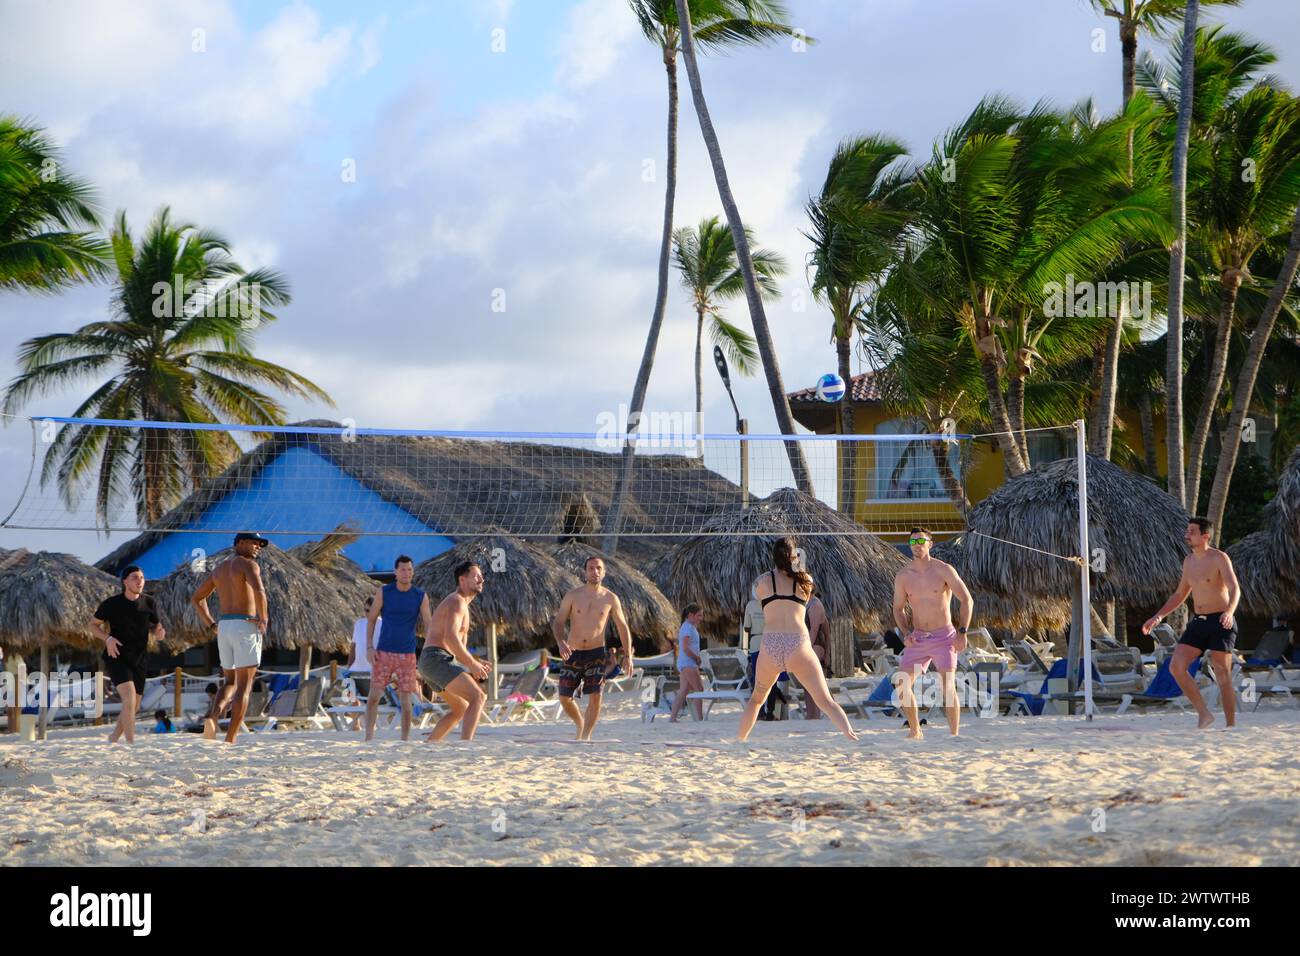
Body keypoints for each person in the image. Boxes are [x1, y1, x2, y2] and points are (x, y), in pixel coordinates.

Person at [736, 538, 859, 742]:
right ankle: (850, 734)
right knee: (826, 701)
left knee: (756, 700)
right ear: (794, 556)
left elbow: (758, 596)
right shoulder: (805, 581)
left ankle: (740, 739)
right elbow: (803, 588)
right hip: (798, 644)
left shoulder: (763, 581)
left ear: (773, 557)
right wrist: (795, 566)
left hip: (772, 644)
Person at [1142, 516, 1241, 729]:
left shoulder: (1219, 558)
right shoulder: (1188, 561)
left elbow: (1234, 588)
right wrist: (1157, 616)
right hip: (1199, 622)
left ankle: (1231, 726)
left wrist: (1230, 612)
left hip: (1221, 620)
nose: (1187, 535)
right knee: (1176, 667)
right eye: (1187, 531)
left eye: (1192, 532)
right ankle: (1204, 714)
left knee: (1222, 674)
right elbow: (1179, 595)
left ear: (1205, 536)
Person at [891, 527, 974, 740]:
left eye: (920, 541)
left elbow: (966, 600)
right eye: (912, 542)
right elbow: (898, 608)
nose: (916, 545)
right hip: (918, 638)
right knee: (902, 682)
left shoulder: (943, 570)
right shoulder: (903, 575)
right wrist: (906, 632)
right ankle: (915, 730)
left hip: (944, 637)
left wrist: (963, 632)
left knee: (947, 685)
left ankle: (954, 734)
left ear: (930, 544)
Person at [191, 532, 269, 744]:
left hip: (224, 626)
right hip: (245, 624)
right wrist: (264, 619)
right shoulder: (248, 565)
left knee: (229, 681)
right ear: (240, 543)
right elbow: (259, 591)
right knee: (244, 685)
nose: (257, 547)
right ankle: (231, 737)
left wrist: (211, 624)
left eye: (259, 545)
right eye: (254, 543)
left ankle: (213, 718)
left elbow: (197, 598)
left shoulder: (219, 569)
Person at [552, 555, 633, 741]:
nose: (595, 572)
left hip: (596, 653)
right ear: (585, 571)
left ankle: (585, 736)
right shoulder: (573, 596)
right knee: (564, 698)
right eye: (591, 568)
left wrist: (628, 655)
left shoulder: (610, 598)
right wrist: (560, 641)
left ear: (604, 572)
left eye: (598, 568)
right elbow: (558, 622)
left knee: (595, 696)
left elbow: (622, 627)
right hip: (572, 652)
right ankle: (580, 722)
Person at [90, 565, 166, 745]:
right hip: (117, 656)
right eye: (134, 577)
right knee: (129, 699)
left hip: (140, 658)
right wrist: (107, 638)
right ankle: (131, 743)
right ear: (125, 581)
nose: (140, 581)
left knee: (134, 705)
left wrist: (158, 631)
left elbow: (155, 625)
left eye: (141, 577)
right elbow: (92, 625)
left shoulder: (149, 603)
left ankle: (114, 738)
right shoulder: (111, 604)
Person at [418, 560, 491, 742]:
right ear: (462, 580)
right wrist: (471, 664)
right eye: (475, 576)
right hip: (436, 658)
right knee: (478, 697)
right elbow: (450, 638)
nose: (481, 579)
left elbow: (454, 644)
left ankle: (430, 745)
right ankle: (466, 745)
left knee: (461, 707)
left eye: (481, 576)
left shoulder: (462, 605)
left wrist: (473, 660)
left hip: (434, 660)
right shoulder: (456, 601)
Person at [364, 555, 435, 741]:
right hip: (384, 652)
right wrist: (369, 647)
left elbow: (429, 624)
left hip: (407, 654)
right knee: (374, 696)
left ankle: (405, 740)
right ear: (395, 572)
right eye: (403, 569)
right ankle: (368, 738)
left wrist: (430, 649)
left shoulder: (420, 596)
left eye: (410, 569)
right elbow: (371, 619)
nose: (406, 573)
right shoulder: (384, 592)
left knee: (405, 700)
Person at [669, 604, 705, 722]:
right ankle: (699, 718)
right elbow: (684, 647)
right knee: (699, 689)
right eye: (699, 615)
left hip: (685, 662)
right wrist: (696, 658)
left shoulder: (688, 627)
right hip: (688, 662)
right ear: (691, 615)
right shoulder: (688, 627)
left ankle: (672, 718)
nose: (701, 618)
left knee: (683, 690)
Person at [805, 590, 831, 720]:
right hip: (811, 645)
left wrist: (806, 649)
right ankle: (811, 715)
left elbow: (815, 630)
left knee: (814, 684)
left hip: (815, 646)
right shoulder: (806, 603)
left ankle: (815, 715)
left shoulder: (815, 605)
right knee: (808, 684)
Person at [346, 596, 379, 700]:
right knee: (349, 700)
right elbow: (353, 647)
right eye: (365, 610)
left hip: (373, 672)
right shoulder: (359, 623)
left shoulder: (384, 624)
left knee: (372, 701)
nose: (367, 613)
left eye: (369, 610)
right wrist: (349, 667)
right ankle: (354, 716)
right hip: (356, 670)